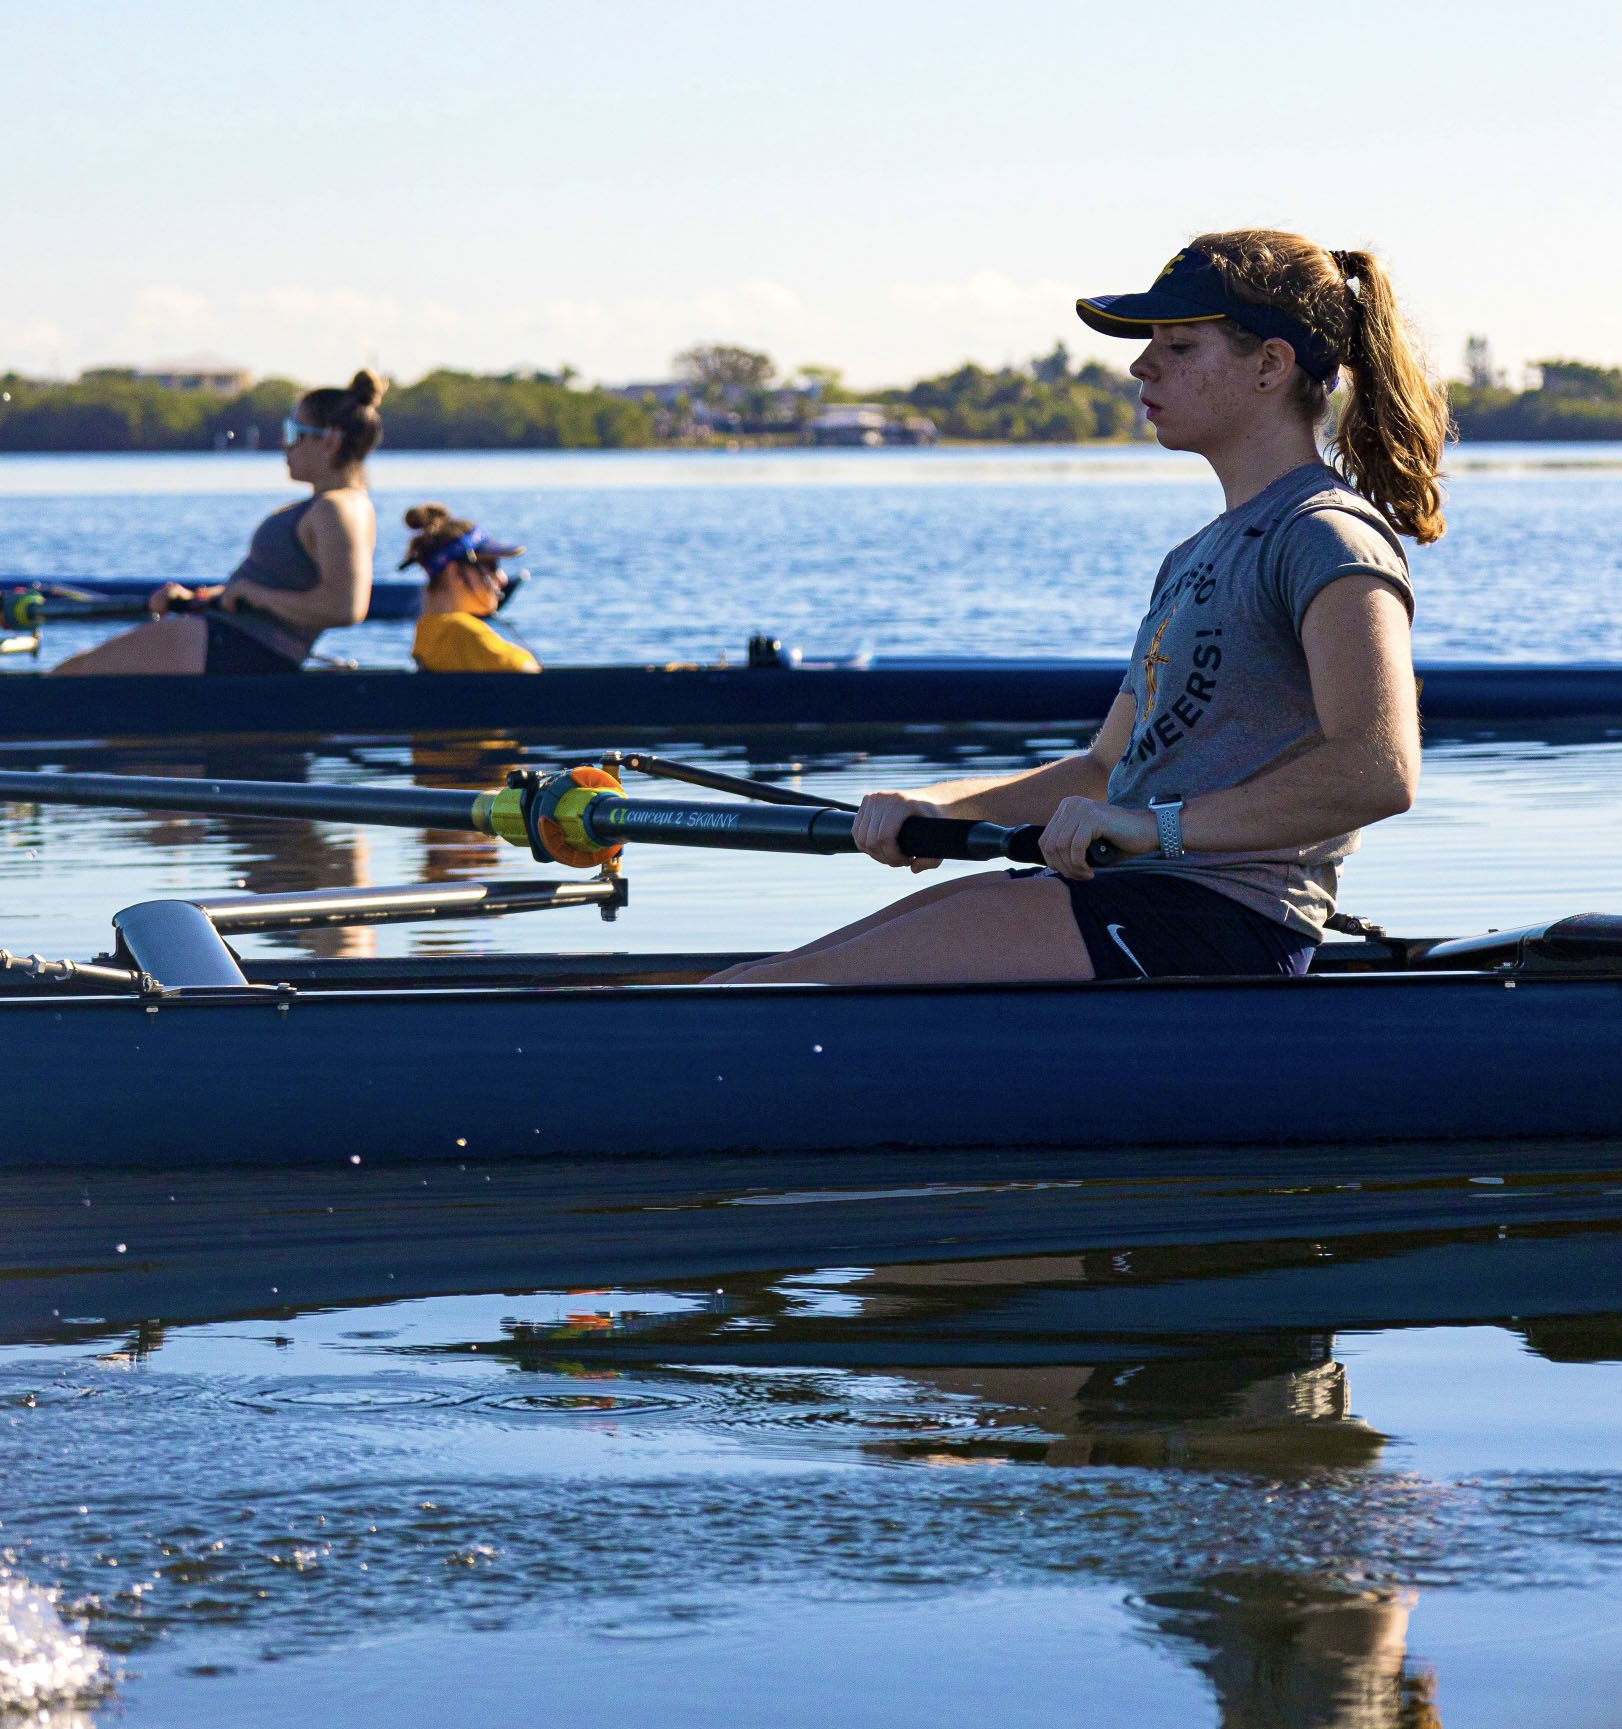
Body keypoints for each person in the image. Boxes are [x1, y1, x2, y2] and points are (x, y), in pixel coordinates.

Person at [714, 230, 1449, 986]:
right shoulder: (1193, 556)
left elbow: (1378, 770)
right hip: (1131, 898)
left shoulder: (1325, 535)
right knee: (751, 979)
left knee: (757, 999)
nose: (1142, 364)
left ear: (1270, 364)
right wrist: (938, 804)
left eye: (1181, 346)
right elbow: (1106, 773)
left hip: (1222, 926)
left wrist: (1151, 828)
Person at [52, 369, 385, 676]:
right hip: (232, 639)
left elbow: (346, 608)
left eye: (295, 433)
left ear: (330, 441)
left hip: (245, 648)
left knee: (73, 675)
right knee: (77, 671)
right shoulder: (328, 506)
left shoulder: (338, 508)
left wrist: (253, 595)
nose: (285, 443)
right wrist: (203, 597)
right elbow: (271, 592)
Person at [398, 503, 539, 673]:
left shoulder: (428, 631)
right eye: (491, 566)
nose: (502, 579)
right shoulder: (459, 632)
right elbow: (529, 675)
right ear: (454, 573)